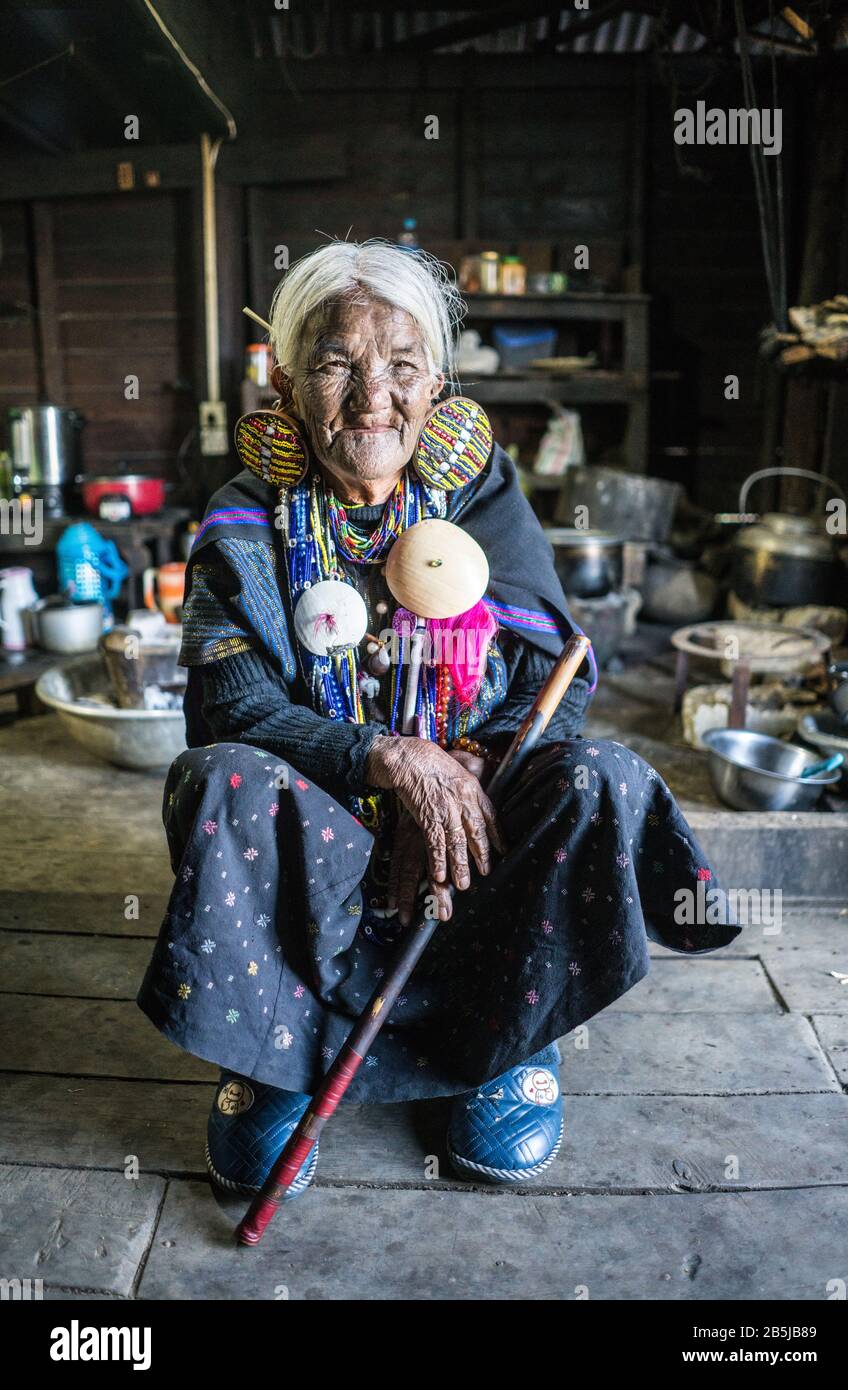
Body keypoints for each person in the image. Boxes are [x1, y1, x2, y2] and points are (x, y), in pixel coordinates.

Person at [137, 240, 738, 1197]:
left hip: (475, 837)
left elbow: (558, 675)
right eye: (337, 363)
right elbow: (233, 708)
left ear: (438, 384)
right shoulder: (244, 520)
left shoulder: (482, 497)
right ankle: (273, 1051)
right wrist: (386, 758)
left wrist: (475, 762)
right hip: (321, 844)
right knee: (220, 779)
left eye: (400, 366)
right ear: (288, 384)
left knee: (597, 775)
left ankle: (503, 1038)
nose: (372, 397)